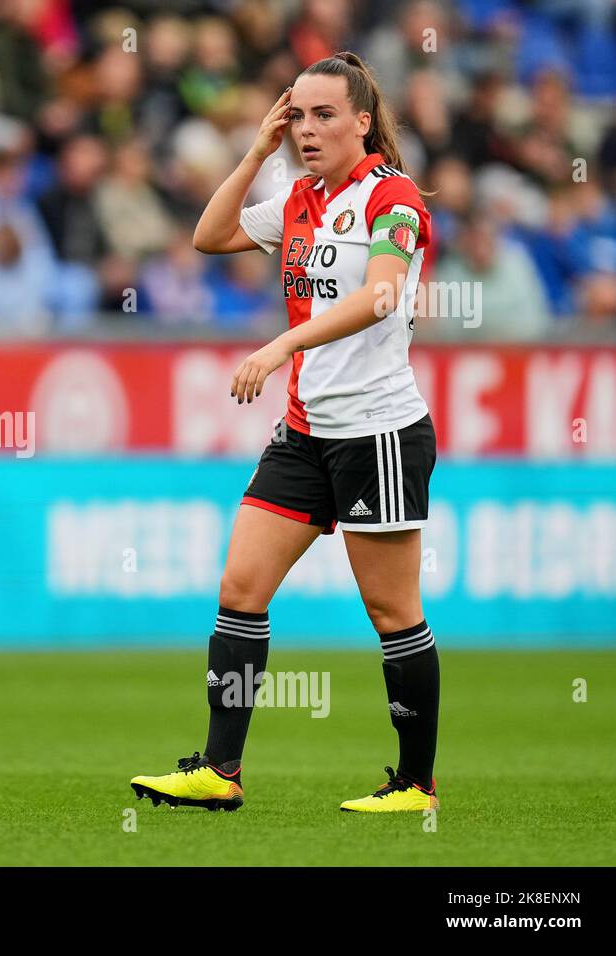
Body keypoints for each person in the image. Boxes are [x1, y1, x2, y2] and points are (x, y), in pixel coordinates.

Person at [129, 53, 441, 812]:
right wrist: (254, 151)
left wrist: (282, 345)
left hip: (379, 433)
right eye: (296, 115)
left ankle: (415, 785)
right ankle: (219, 771)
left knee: (393, 614)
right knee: (240, 587)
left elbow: (380, 297)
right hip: (305, 432)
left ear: (362, 122)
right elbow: (210, 235)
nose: (307, 129)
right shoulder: (298, 199)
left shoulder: (392, 198)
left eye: (324, 114)